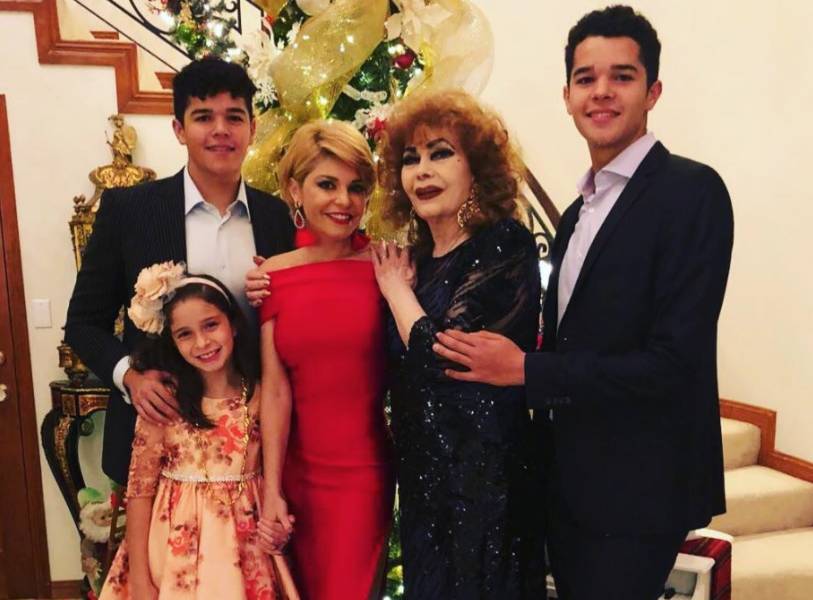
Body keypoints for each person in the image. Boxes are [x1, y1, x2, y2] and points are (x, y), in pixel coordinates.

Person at [433, 6, 735, 600]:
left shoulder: (691, 192)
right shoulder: (575, 214)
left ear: (653, 92)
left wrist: (526, 370)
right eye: (585, 78)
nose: (601, 91)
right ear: (567, 96)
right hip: (569, 483)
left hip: (639, 488)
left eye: (622, 76)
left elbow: (673, 364)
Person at [64, 57, 294, 485]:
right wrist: (130, 377)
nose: (221, 130)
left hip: (255, 444)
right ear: (179, 129)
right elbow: (82, 323)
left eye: (234, 117)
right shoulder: (130, 211)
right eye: (203, 117)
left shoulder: (276, 216)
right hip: (160, 442)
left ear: (252, 128)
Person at [372, 89, 545, 599]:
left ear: (477, 169)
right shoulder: (417, 262)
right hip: (423, 484)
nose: (422, 171)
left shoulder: (503, 243)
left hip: (486, 485)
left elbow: (443, 355)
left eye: (441, 153)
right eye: (411, 159)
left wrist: (396, 292)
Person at [254, 120, 394, 600]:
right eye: (327, 184)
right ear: (296, 190)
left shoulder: (386, 267)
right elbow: (275, 391)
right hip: (295, 479)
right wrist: (272, 489)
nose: (344, 201)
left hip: (363, 478)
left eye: (356, 187)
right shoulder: (273, 276)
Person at [99, 266, 291, 599]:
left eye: (211, 325)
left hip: (244, 550)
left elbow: (276, 475)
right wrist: (140, 579)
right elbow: (140, 492)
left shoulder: (261, 397)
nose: (202, 343)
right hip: (173, 554)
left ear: (233, 323)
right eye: (184, 334)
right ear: (172, 342)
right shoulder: (165, 402)